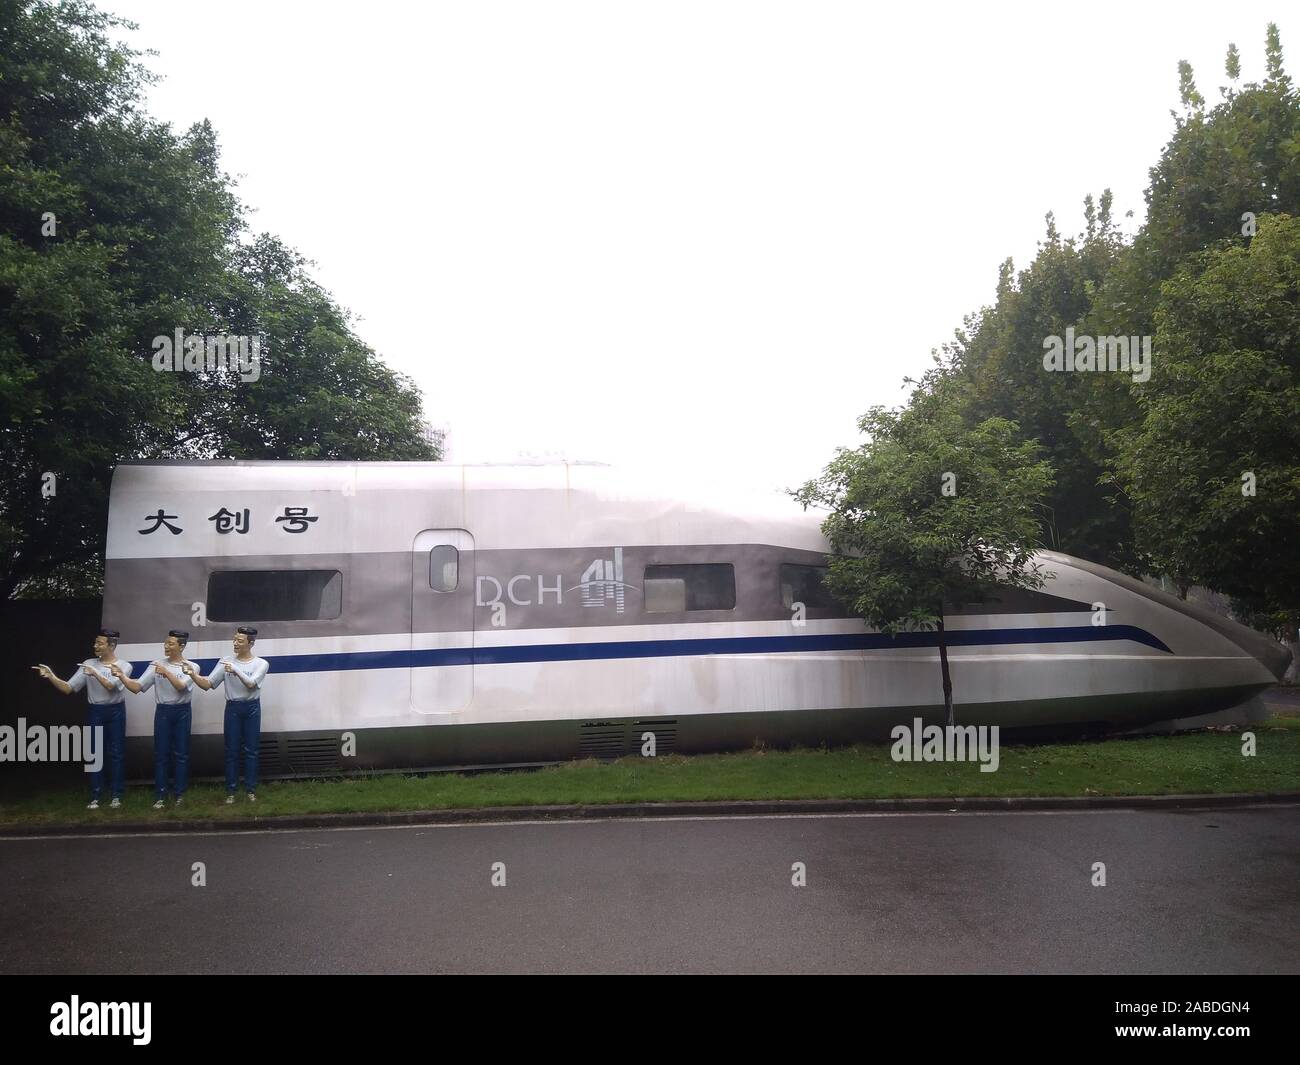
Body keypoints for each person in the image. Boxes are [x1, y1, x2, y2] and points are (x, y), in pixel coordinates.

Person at [32, 628, 132, 809]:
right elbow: (68, 688)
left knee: (116, 753)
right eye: (95, 643)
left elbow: (112, 687)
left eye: (100, 643)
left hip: (116, 711)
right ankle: (95, 795)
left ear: (112, 645)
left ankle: (116, 795)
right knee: (95, 754)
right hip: (95, 711)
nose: (95, 646)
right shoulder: (88, 664)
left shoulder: (124, 666)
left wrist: (95, 673)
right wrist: (51, 676)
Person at [185, 626, 268, 803]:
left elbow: (251, 684)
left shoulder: (261, 663)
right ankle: (231, 790)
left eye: (240, 640)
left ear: (251, 643)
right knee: (231, 750)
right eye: (234, 640)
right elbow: (208, 684)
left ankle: (250, 789)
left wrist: (236, 670)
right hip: (233, 708)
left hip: (252, 707)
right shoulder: (225, 661)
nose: (235, 643)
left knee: (251, 750)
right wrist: (192, 675)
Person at [114, 630, 194, 809]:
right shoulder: (155, 666)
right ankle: (160, 795)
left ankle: (180, 794)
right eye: (165, 643)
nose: (166, 646)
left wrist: (166, 672)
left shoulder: (191, 667)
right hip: (163, 712)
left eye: (171, 644)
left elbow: (181, 687)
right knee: (161, 755)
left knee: (181, 754)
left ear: (182, 646)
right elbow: (137, 687)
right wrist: (122, 676)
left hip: (182, 712)